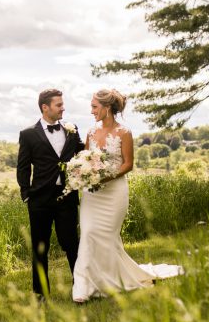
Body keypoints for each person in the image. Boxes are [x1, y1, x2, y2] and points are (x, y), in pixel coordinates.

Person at [72, 89, 183, 302]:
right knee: (88, 234)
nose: (91, 110)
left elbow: (128, 164)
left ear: (106, 108)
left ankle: (114, 279)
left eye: (95, 106)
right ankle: (83, 287)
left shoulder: (124, 132)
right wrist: (83, 173)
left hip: (114, 193)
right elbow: (84, 158)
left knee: (108, 237)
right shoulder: (91, 132)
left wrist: (106, 177)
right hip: (92, 194)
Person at [17, 89, 85, 300]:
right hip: (40, 199)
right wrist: (26, 193)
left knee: (72, 244)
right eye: (59, 105)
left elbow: (83, 154)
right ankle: (41, 293)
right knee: (40, 247)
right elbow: (23, 167)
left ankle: (80, 287)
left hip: (67, 196)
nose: (63, 108)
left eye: (63, 104)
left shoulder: (72, 130)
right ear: (45, 107)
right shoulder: (28, 134)